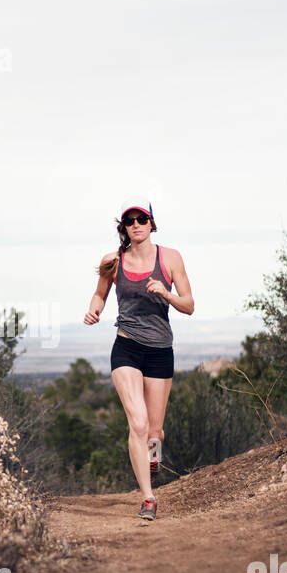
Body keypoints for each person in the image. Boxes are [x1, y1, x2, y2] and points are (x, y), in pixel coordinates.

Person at [84, 196, 194, 520]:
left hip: (160, 351)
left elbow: (189, 305)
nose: (136, 226)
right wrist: (95, 308)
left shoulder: (171, 258)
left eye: (141, 220)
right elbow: (100, 293)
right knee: (139, 423)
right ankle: (148, 497)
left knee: (155, 431)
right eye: (130, 221)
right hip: (126, 346)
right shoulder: (114, 261)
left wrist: (166, 293)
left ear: (151, 223)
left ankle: (153, 453)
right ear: (124, 227)